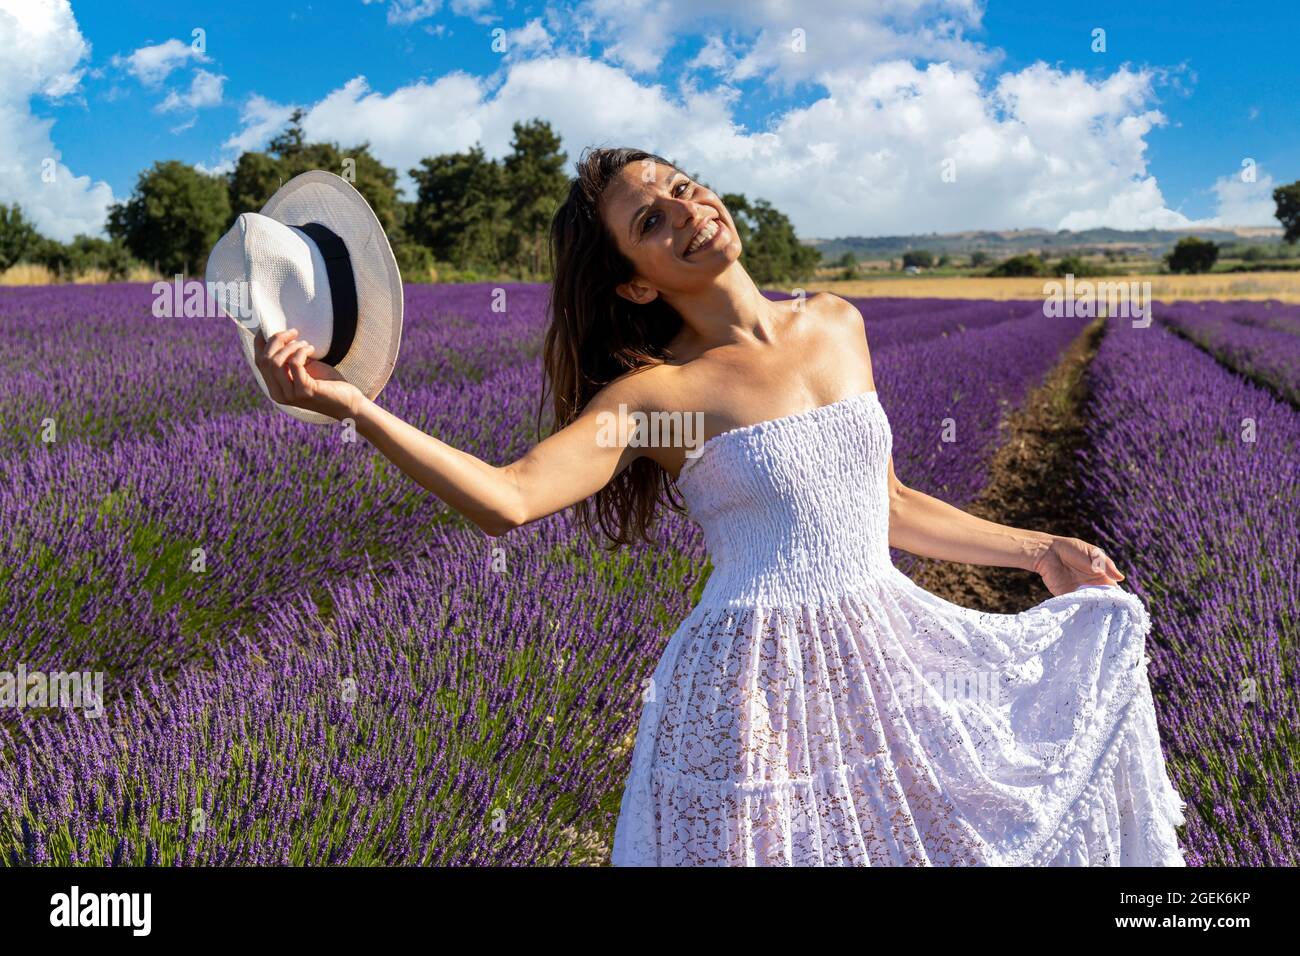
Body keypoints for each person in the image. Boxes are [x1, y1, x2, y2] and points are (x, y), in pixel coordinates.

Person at [253, 146, 1187, 867]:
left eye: (685, 189)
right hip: (753, 686)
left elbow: (886, 503)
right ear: (635, 281)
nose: (688, 214)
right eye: (652, 222)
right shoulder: (656, 396)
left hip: (881, 654)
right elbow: (508, 499)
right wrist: (356, 407)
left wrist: (1037, 550)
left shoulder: (836, 321)